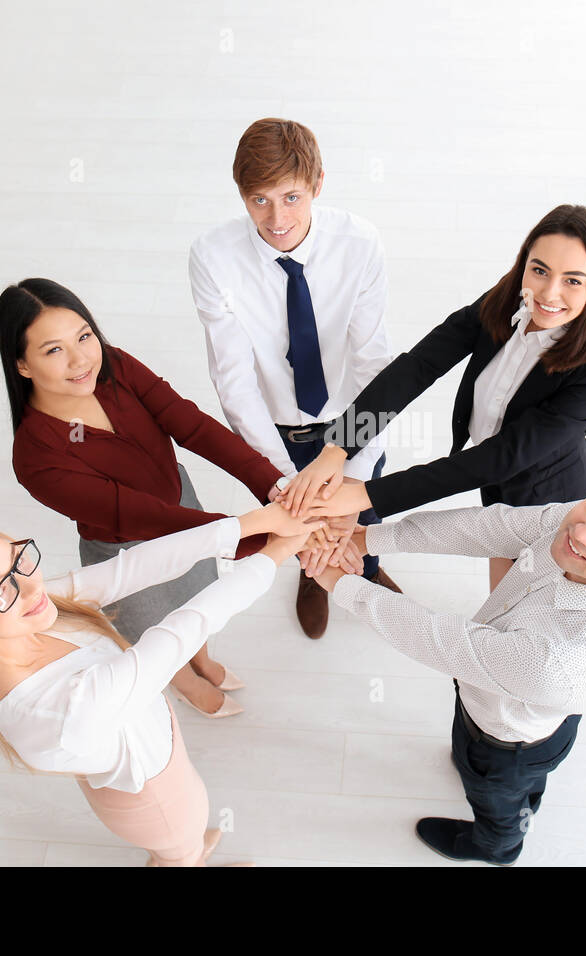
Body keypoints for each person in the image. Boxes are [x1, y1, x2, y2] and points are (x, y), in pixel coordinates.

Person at [306, 455, 586, 865]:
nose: (583, 532)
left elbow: (442, 640)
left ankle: (497, 847)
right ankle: (527, 796)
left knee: (493, 796)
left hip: (502, 742)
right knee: (525, 781)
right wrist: (367, 539)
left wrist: (338, 582)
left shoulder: (559, 662)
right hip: (540, 718)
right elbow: (491, 528)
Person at [0, 502, 323, 867]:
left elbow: (128, 570)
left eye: (17, 560)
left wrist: (256, 524)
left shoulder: (24, 614)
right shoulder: (63, 709)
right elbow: (184, 630)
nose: (30, 586)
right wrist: (276, 553)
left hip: (151, 762)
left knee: (181, 837)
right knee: (184, 843)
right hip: (158, 799)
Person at [0, 277, 318, 717]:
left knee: (199, 593)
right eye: (53, 350)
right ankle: (184, 681)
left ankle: (202, 658)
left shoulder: (116, 367)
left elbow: (190, 424)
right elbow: (135, 515)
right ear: (23, 366)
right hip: (125, 549)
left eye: (84, 337)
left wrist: (273, 486)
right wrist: (259, 534)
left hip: (184, 506)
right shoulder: (35, 457)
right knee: (156, 629)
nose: (80, 360)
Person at [281, 203, 586, 592]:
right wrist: (337, 450)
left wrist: (363, 495)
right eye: (540, 270)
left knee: (523, 607)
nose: (548, 293)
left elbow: (502, 456)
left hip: (551, 499)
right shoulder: (509, 299)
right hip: (496, 486)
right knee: (499, 597)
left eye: (573, 280)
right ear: (524, 263)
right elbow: (419, 366)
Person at [188, 117, 401, 641]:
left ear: (318, 185)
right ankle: (315, 574)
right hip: (275, 426)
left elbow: (376, 364)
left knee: (360, 509)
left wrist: (356, 470)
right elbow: (233, 380)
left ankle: (365, 564)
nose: (277, 218)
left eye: (291, 197)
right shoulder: (213, 258)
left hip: (353, 417)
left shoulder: (359, 243)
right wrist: (288, 487)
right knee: (302, 520)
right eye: (259, 200)